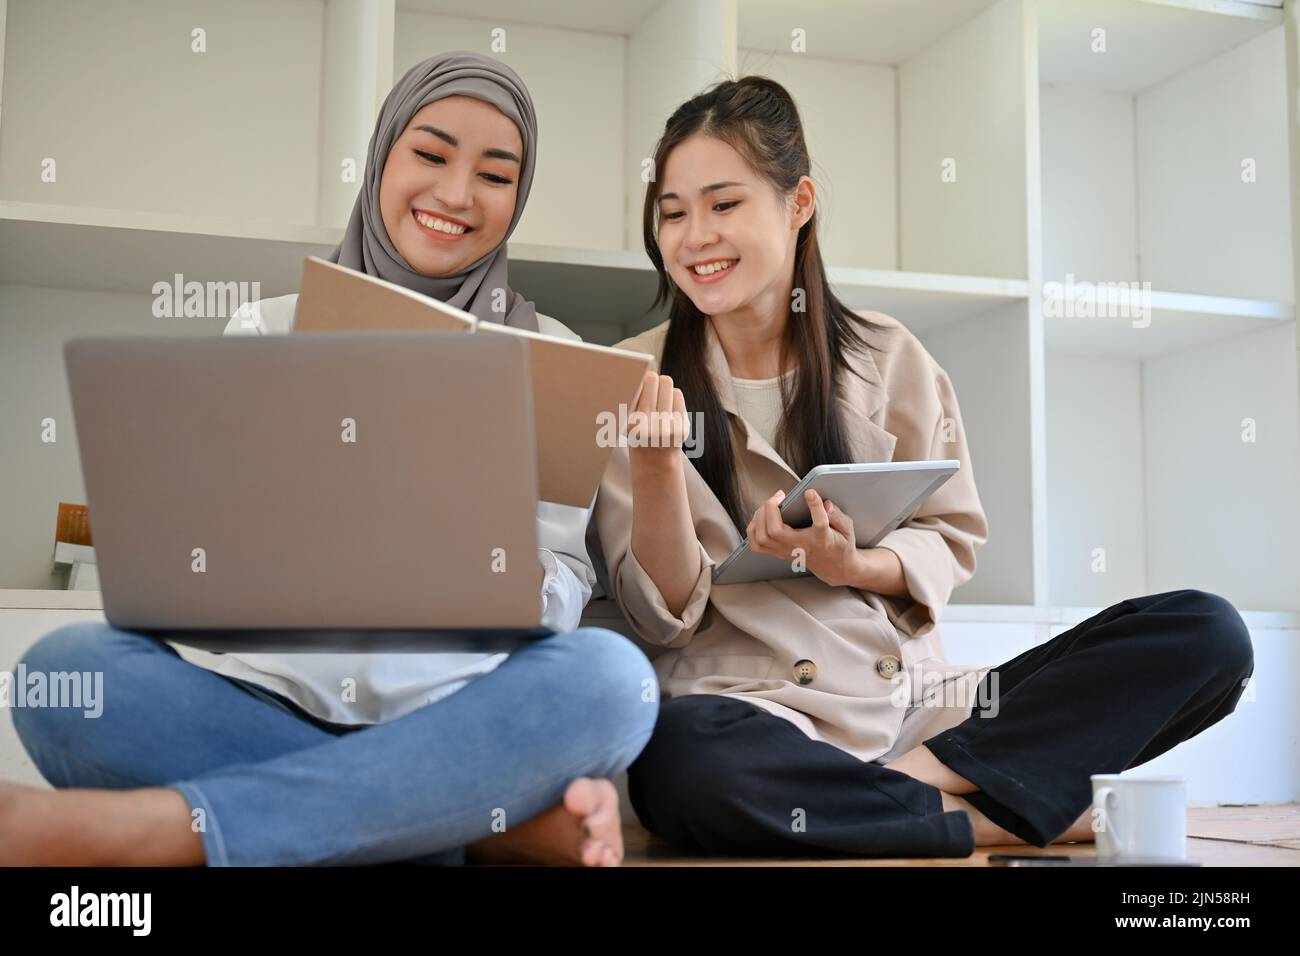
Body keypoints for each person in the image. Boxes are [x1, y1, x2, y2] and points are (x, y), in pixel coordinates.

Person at [1, 51, 657, 867]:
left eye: (495, 174)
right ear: (382, 155)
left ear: (517, 196)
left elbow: (563, 577)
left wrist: (518, 579)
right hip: (266, 702)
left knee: (612, 680)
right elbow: (210, 561)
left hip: (460, 715)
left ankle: (175, 833)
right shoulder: (270, 327)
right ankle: (470, 825)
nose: (456, 195)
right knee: (67, 674)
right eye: (429, 154)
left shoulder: (553, 352)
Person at [592, 75, 1255, 858]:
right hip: (757, 710)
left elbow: (951, 538)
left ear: (798, 203)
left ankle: (913, 784)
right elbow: (657, 614)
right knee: (683, 758)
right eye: (672, 213)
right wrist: (658, 469)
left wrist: (855, 562)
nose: (694, 236)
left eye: (723, 204)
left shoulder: (890, 357)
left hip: (914, 705)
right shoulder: (624, 379)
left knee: (1208, 633)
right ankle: (987, 813)